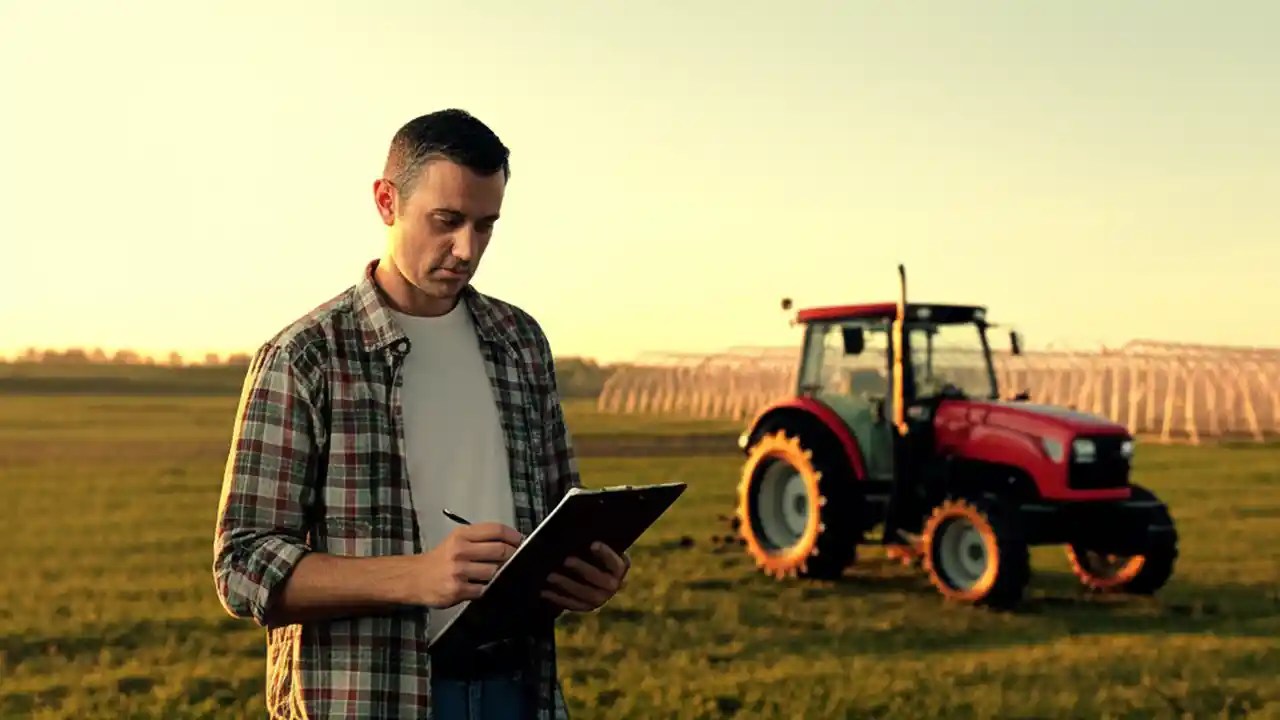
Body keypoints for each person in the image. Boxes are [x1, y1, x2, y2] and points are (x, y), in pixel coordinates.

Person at [212, 108, 630, 719]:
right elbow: (243, 568)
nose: (467, 249)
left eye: (486, 226)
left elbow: (559, 515)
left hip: (520, 689)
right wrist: (415, 577)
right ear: (387, 201)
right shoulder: (306, 356)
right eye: (447, 221)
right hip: (369, 698)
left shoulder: (520, 341)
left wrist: (587, 575)